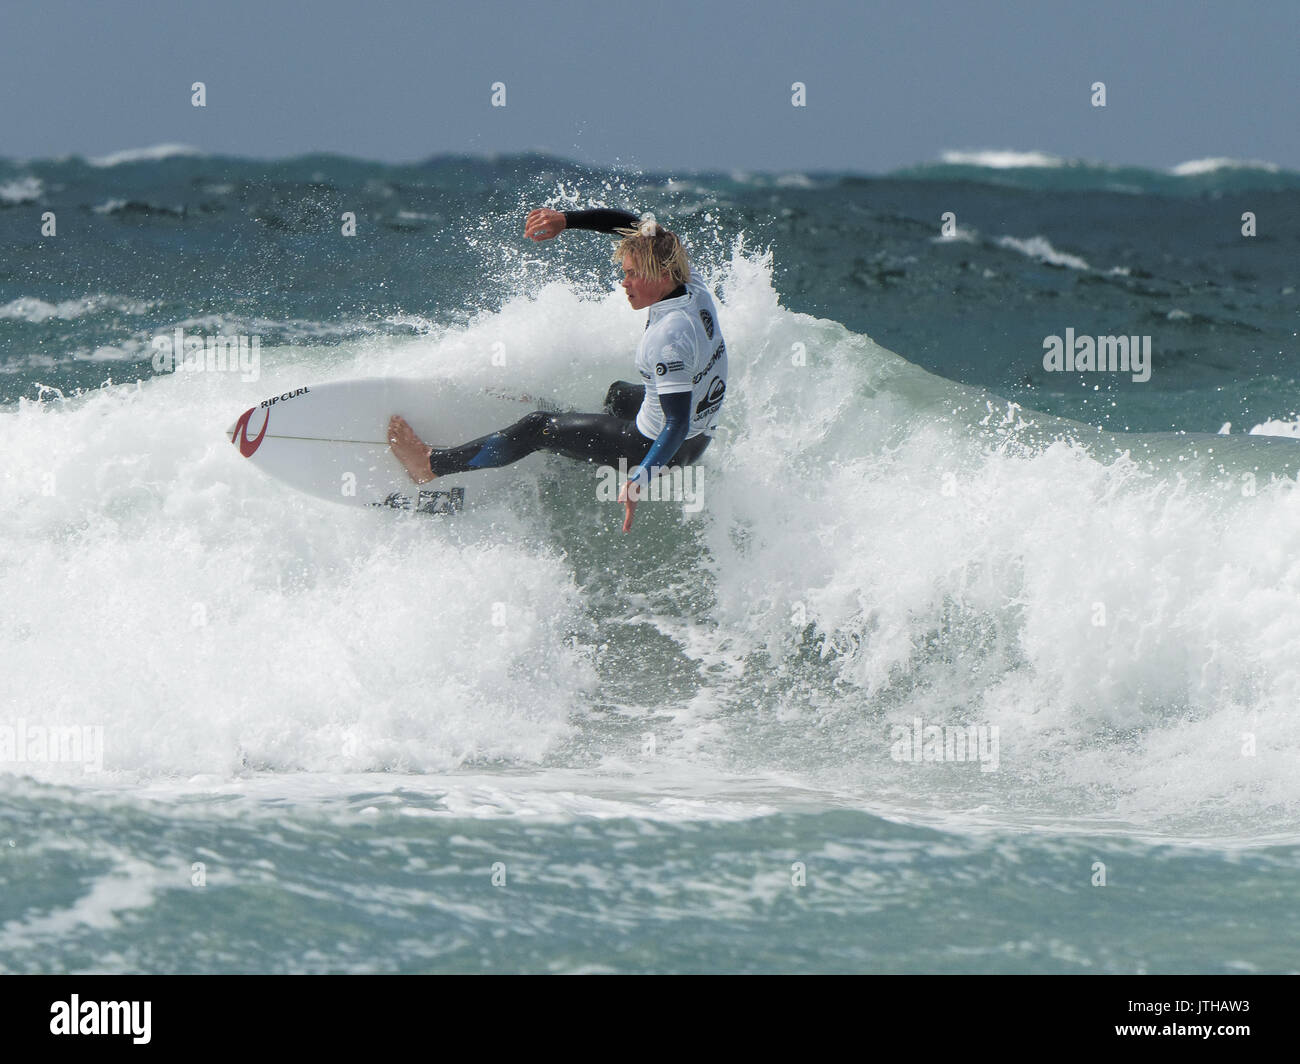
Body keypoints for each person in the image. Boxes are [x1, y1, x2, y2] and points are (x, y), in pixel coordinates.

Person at [387, 207, 728, 532]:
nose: (624, 282)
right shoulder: (688, 282)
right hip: (701, 437)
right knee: (618, 394)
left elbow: (676, 422)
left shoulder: (669, 337)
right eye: (625, 271)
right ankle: (582, 443)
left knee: (538, 426)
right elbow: (635, 227)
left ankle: (430, 466)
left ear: (662, 274)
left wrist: (639, 480)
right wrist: (567, 220)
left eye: (633, 274)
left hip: (655, 449)